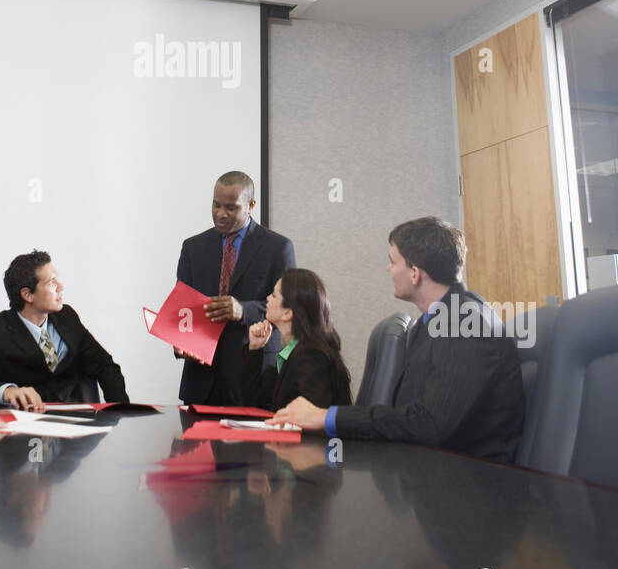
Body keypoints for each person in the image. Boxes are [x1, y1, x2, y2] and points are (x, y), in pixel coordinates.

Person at [270, 217, 525, 463]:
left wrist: (327, 417)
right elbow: (409, 414)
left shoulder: (465, 324)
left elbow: (429, 425)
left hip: (469, 486)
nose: (388, 269)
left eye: (393, 262)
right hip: (431, 474)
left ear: (415, 273)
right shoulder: (435, 322)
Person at [0, 251, 128, 409]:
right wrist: (7, 391)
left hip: (74, 428)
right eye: (51, 283)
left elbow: (105, 366)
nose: (61, 287)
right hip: (22, 435)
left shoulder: (67, 317)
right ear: (28, 295)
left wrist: (120, 413)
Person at [176, 171, 295, 406]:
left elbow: (288, 308)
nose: (220, 214)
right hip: (200, 379)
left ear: (251, 205)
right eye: (216, 205)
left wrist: (243, 310)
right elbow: (182, 309)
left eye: (231, 208)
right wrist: (181, 343)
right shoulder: (193, 247)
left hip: (253, 376)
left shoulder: (278, 248)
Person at [247, 269, 352, 411]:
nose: (267, 298)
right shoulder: (293, 351)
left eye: (273, 295)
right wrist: (255, 348)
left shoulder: (311, 356)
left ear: (287, 313)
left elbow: (313, 418)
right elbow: (256, 400)